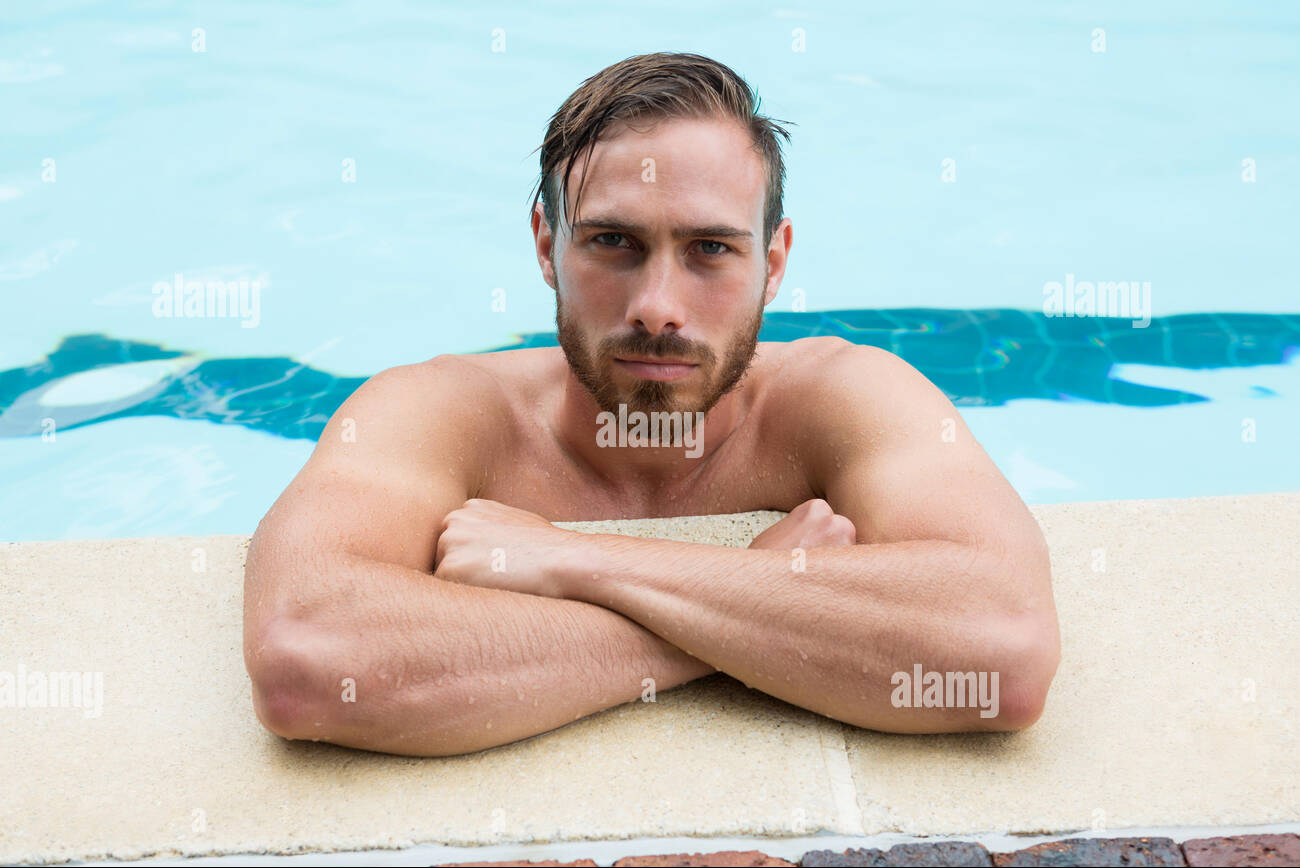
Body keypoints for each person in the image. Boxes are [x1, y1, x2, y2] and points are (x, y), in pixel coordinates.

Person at [242, 52, 1060, 756]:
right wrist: (757, 602)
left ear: (773, 263)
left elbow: (1005, 654)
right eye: (613, 242)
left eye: (710, 249)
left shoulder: (843, 394)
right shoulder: (439, 410)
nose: (658, 306)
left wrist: (578, 562)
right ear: (544, 245)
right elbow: (305, 662)